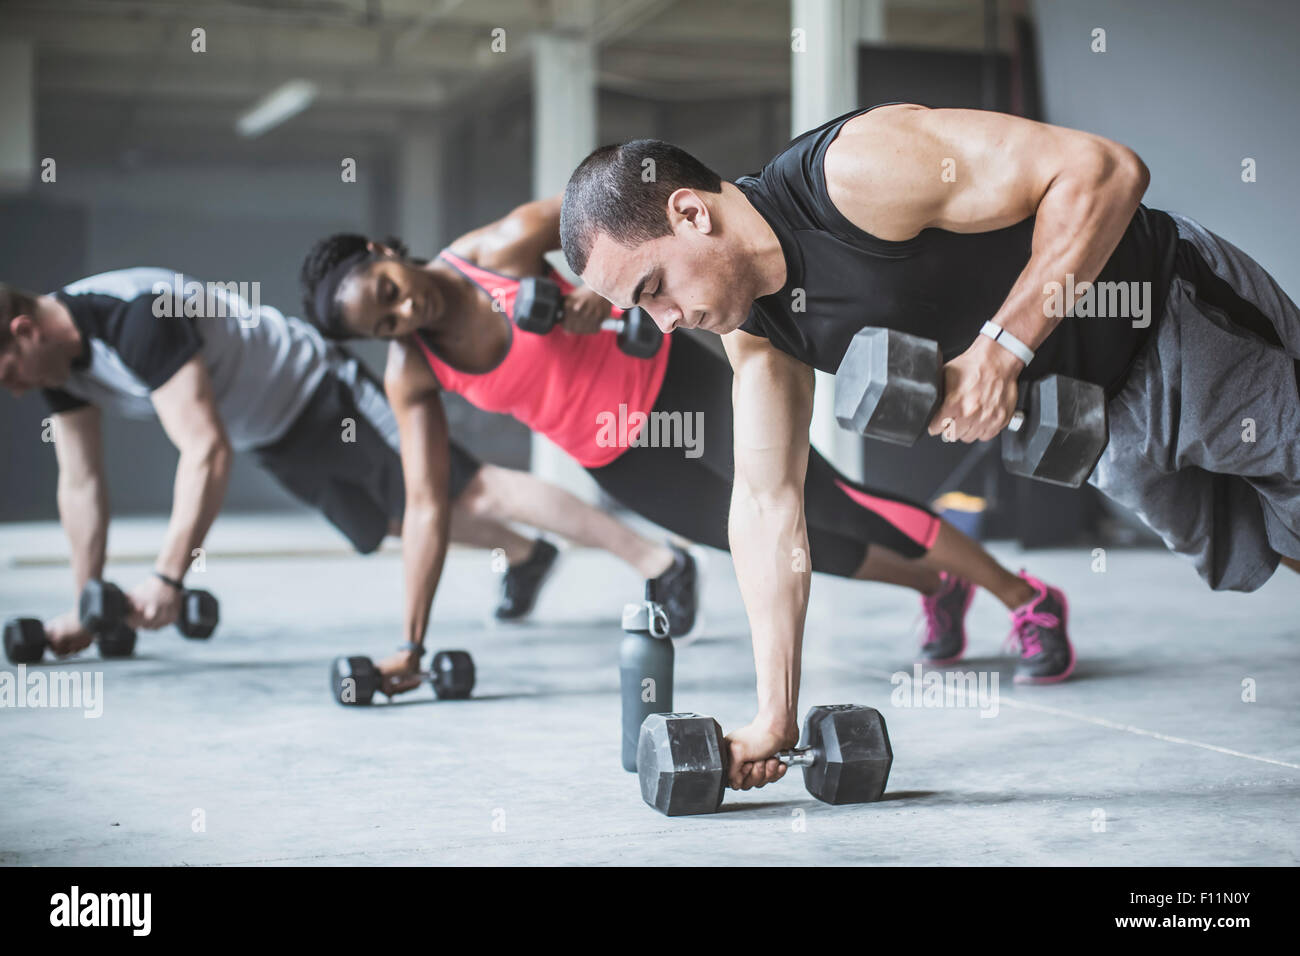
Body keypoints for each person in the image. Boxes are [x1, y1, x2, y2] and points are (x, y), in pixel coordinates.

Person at [560, 102, 1300, 791]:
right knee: (1247, 548)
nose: (660, 323)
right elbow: (765, 506)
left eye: (653, 287)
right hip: (1090, 419)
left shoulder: (855, 173)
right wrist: (773, 715)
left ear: (690, 212)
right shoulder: (759, 338)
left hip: (1170, 313)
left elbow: (1105, 170)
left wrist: (1001, 349)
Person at [299, 196, 1053, 698]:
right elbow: (429, 505)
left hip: (674, 386)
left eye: (388, 289)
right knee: (792, 547)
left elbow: (617, 215)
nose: (405, 310)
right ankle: (937, 587)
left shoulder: (499, 249)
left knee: (826, 501)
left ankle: (1028, 601)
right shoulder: (414, 375)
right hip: (619, 460)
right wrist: (410, 642)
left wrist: (602, 286)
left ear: (382, 251)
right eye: (385, 324)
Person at [0, 269, 689, 662]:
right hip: (272, 432)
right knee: (385, 521)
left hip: (317, 391)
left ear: (22, 331)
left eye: (5, 370)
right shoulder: (57, 367)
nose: (11, 388)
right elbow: (81, 480)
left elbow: (203, 450)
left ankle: (659, 562)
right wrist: (88, 604)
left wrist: (166, 577)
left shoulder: (135, 319)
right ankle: (527, 556)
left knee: (466, 489)